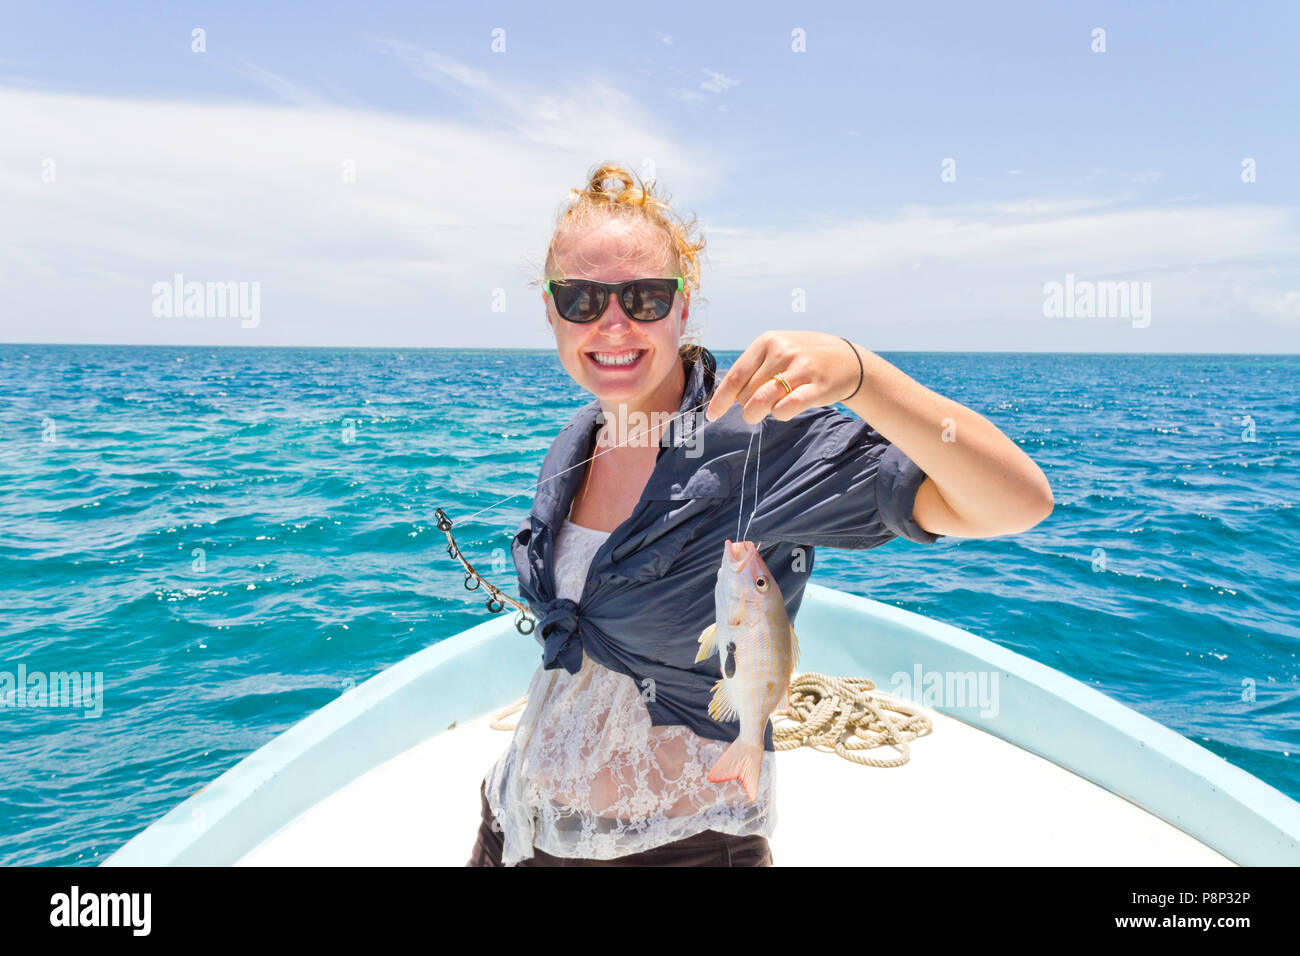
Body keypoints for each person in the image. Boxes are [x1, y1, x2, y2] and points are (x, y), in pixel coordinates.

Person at [466, 163, 1053, 867]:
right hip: (515, 820)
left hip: (680, 847)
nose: (612, 322)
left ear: (683, 307)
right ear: (551, 309)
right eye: (582, 298)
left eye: (645, 297)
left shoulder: (762, 441)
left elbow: (1017, 501)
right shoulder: (579, 440)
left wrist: (862, 373)